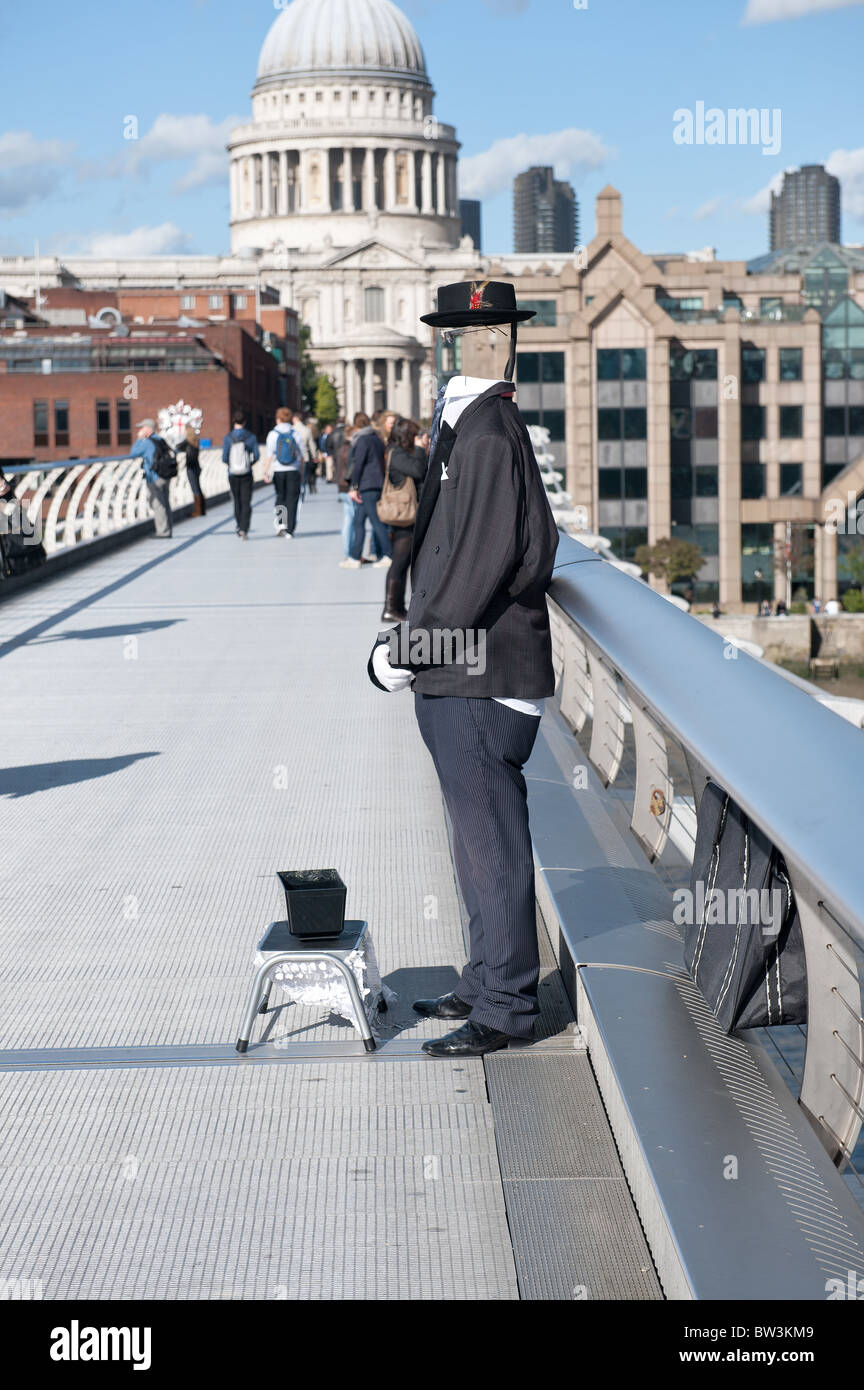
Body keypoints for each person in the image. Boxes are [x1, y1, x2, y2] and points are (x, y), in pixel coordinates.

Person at [368, 280, 558, 1059]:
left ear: (503, 341)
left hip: (480, 677)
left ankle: (509, 1007)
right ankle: (485, 979)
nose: (474, 344)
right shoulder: (480, 423)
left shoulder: (484, 433)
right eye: (463, 332)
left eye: (485, 332)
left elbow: (479, 569)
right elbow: (519, 552)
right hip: (469, 672)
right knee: (471, 842)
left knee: (492, 846)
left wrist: (400, 653)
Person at [381, 416, 428, 621]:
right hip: (404, 517)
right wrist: (420, 449)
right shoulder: (397, 454)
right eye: (415, 435)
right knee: (399, 562)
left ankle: (399, 607)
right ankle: (391, 608)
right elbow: (418, 471)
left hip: (410, 514)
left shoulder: (403, 453)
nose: (418, 438)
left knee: (405, 562)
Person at [347, 411, 392, 568]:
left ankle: (388, 554)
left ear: (356, 424)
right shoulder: (377, 439)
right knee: (358, 520)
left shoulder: (362, 440)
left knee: (375, 521)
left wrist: (354, 486)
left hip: (367, 485)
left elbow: (358, 464)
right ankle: (354, 557)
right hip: (376, 482)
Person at [131, 418, 174, 538]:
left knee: (157, 503)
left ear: (148, 429)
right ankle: (168, 529)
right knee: (165, 502)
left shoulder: (148, 443)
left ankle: (163, 532)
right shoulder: (161, 440)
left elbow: (133, 453)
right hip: (166, 475)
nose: (140, 430)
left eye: (142, 428)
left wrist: (139, 439)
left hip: (155, 476)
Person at [265, 406, 303, 538]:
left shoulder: (273, 434)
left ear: (278, 419)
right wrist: (301, 471)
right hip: (293, 470)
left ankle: (281, 523)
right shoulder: (295, 433)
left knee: (280, 497)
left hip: (279, 470)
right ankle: (290, 530)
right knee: (292, 499)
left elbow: (269, 455)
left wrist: (266, 471)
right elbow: (301, 454)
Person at [221, 411, 259, 540]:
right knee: (246, 501)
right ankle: (244, 528)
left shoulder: (228, 438)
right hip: (247, 474)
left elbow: (224, 457)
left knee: (236, 501)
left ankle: (238, 525)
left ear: (233, 421)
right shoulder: (251, 437)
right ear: (244, 422)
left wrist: (232, 464)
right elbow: (257, 455)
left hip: (233, 474)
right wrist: (249, 463)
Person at [183, 424, 206, 517]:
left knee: (195, 488)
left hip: (191, 467)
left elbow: (177, 447)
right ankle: (202, 509)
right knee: (198, 487)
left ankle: (198, 511)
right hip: (197, 466)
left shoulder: (187, 442)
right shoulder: (196, 441)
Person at [292, 412, 316, 496]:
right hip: (304, 457)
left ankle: (296, 492)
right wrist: (314, 456)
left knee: (294, 477)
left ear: (295, 419)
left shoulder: (291, 429)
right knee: (303, 477)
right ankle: (302, 491)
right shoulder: (307, 430)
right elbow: (311, 445)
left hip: (293, 457)